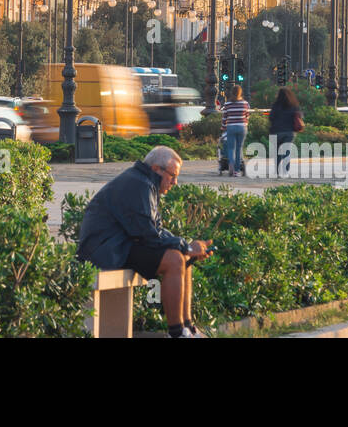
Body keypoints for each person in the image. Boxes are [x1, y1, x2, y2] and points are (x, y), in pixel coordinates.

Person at [76, 146, 213, 337]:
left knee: (182, 256)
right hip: (104, 251)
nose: (175, 182)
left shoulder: (145, 182)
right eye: (172, 176)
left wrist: (185, 247)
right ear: (157, 169)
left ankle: (187, 327)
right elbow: (146, 233)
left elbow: (153, 230)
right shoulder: (138, 184)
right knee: (174, 259)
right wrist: (187, 247)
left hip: (119, 245)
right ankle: (177, 333)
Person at [267, 86, 301, 177]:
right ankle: (285, 172)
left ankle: (277, 172)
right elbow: (299, 117)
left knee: (277, 153)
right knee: (287, 152)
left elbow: (271, 117)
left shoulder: (275, 105)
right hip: (289, 132)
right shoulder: (293, 105)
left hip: (276, 131)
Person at [219, 85, 250, 178]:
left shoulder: (227, 104)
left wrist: (223, 127)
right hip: (242, 127)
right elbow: (247, 116)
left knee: (230, 148)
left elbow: (224, 117)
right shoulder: (245, 103)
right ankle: (237, 171)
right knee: (239, 149)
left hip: (231, 127)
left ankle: (231, 166)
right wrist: (245, 124)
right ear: (240, 93)